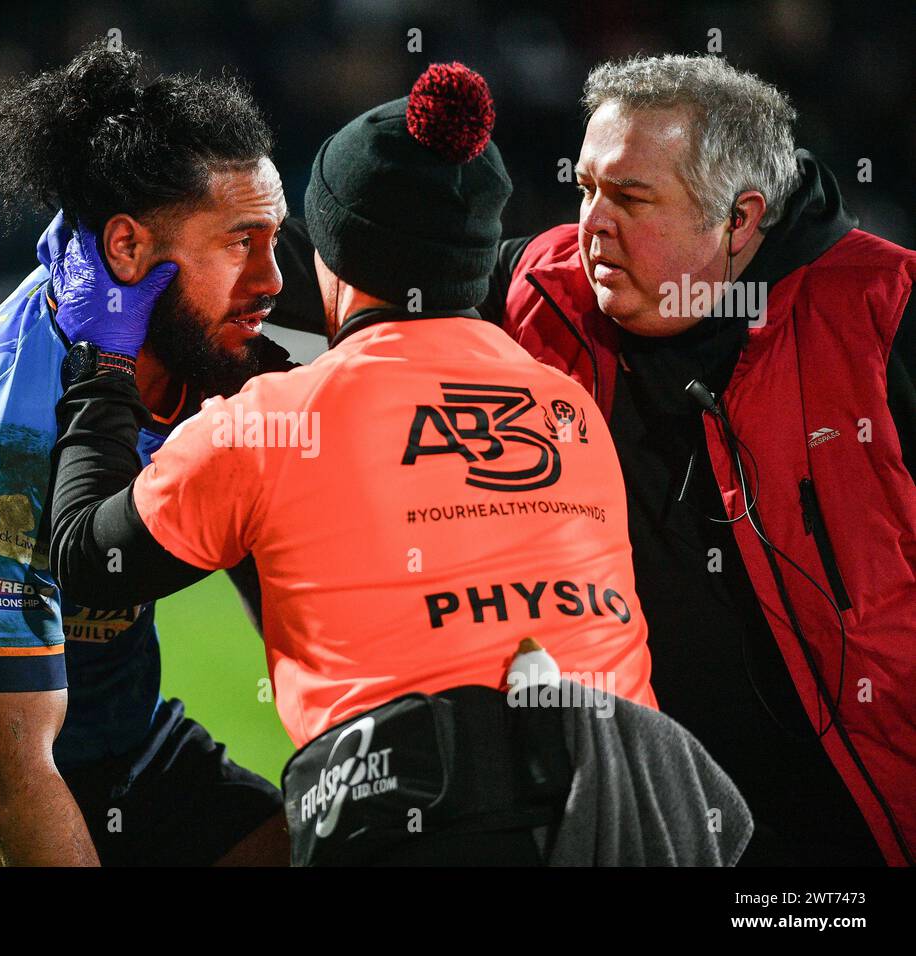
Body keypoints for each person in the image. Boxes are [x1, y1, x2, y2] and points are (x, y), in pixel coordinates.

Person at [48, 63, 660, 865]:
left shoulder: (268, 428)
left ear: (325, 251)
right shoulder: (567, 405)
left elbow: (89, 558)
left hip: (417, 821)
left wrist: (103, 367)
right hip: (638, 807)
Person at [0, 39, 317, 866]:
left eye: (276, 236)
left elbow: (275, 573)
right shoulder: (3, 438)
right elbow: (6, 774)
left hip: (125, 748)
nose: (274, 280)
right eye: (241, 242)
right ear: (126, 250)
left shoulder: (215, 345)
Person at [476, 54, 916, 866]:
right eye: (587, 190)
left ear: (740, 220)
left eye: (633, 198)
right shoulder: (547, 293)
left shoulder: (883, 317)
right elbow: (359, 270)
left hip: (865, 830)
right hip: (649, 832)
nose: (592, 226)